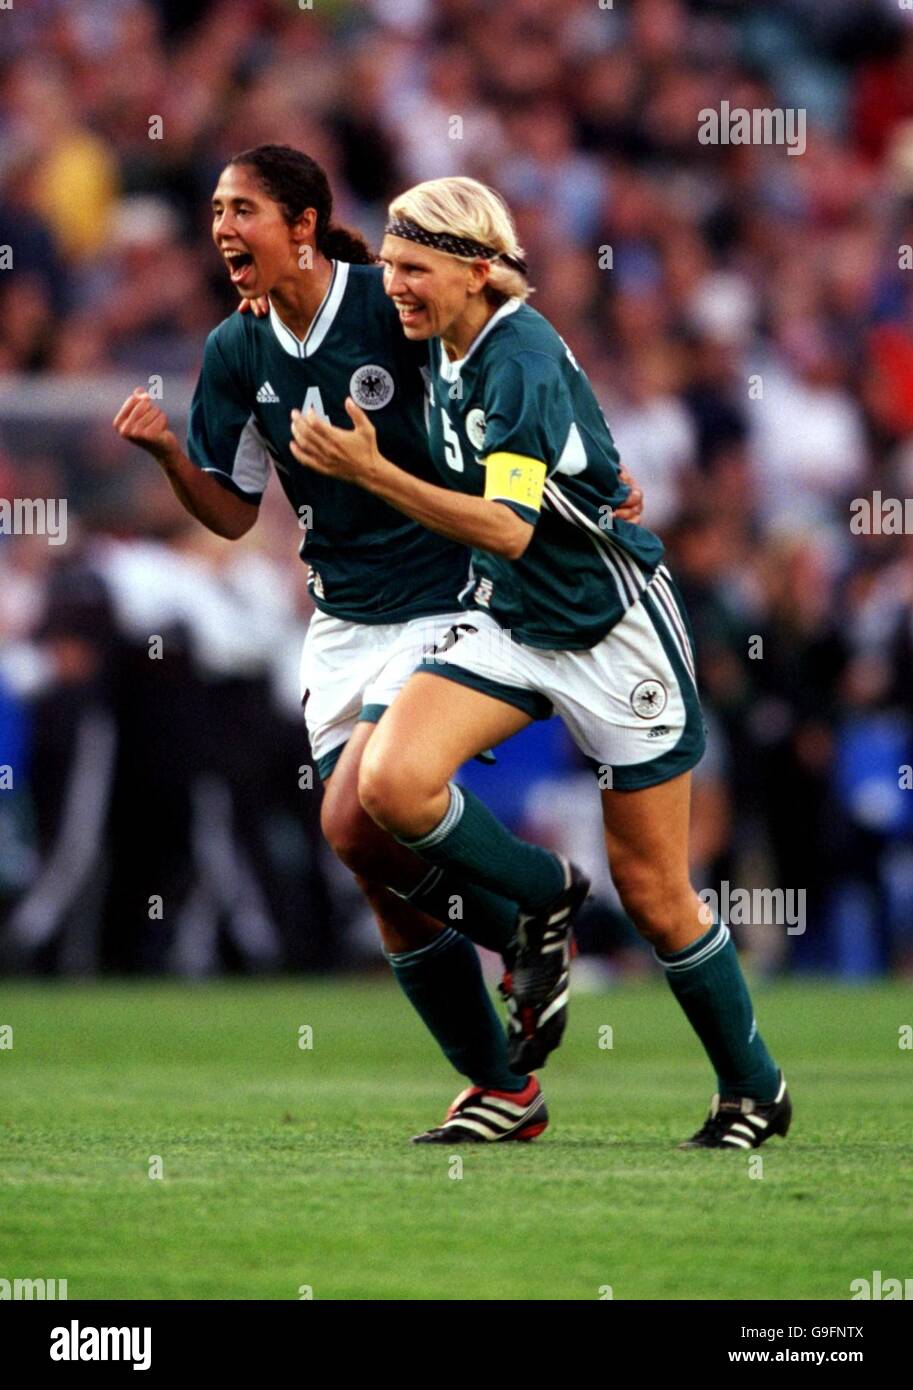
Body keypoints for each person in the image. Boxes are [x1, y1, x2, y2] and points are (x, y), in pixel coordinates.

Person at [113, 145, 644, 1143]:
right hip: (342, 621)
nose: (222, 227)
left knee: (365, 803)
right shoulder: (234, 353)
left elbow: (516, 352)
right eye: (216, 210)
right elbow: (231, 515)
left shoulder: (391, 301)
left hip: (452, 594)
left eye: (244, 209)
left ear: (302, 226)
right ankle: (504, 1084)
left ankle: (543, 893)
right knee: (361, 848)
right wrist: (169, 459)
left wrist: (594, 473)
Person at [290, 175, 792, 1150]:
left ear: (477, 272)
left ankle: (753, 1088)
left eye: (412, 269)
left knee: (655, 892)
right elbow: (333, 295)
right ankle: (541, 898)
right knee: (387, 785)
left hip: (609, 630)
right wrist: (270, 290)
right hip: (508, 622)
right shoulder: (442, 332)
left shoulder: (514, 354)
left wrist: (369, 473)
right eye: (389, 265)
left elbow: (508, 528)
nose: (393, 285)